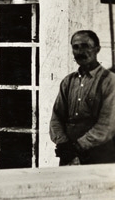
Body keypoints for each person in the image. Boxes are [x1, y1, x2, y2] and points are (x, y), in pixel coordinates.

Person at [49, 29, 115, 165]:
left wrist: (76, 148)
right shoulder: (68, 81)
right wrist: (64, 144)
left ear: (97, 49)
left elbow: (106, 125)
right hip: (68, 153)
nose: (80, 52)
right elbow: (56, 118)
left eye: (85, 46)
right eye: (76, 47)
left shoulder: (110, 81)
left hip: (98, 155)